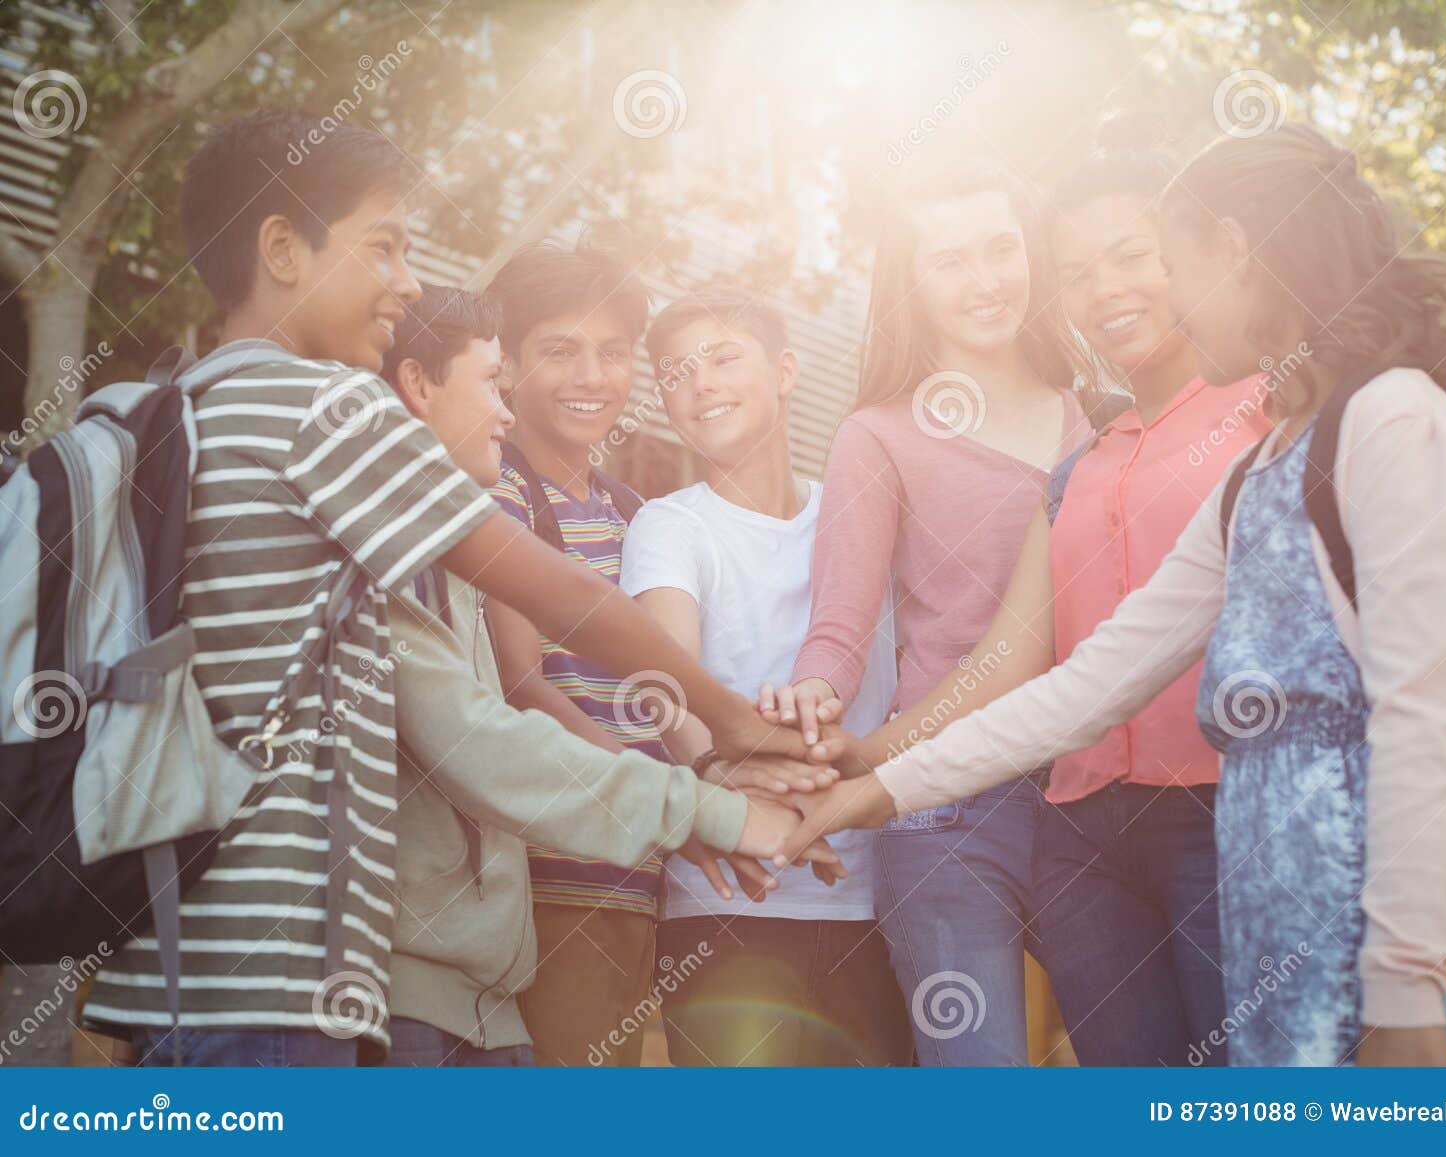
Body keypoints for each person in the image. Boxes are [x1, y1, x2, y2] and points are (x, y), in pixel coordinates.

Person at [82, 110, 819, 1066]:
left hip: (189, 959)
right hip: (288, 985)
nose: (409, 280)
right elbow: (536, 624)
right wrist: (726, 735)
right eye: (384, 247)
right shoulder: (325, 409)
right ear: (282, 250)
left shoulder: (174, 409)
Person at [777, 124, 1446, 1069]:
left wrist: (1407, 989)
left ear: (1234, 256)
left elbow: (1423, 714)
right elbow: (1089, 683)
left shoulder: (1393, 416)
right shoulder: (1254, 470)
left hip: (1381, 920)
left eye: (1164, 260)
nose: (1144, 294)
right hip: (1269, 911)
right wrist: (874, 791)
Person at [376, 284, 788, 1066]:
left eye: (613, 353)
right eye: (557, 351)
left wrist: (698, 786)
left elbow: (662, 683)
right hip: (558, 869)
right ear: (512, 370)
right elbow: (520, 682)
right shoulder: (490, 492)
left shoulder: (637, 510)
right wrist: (681, 802)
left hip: (641, 863)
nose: (590, 376)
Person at [760, 161, 1097, 1065]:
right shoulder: (878, 433)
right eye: (949, 261)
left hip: (1097, 792)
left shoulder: (1098, 417)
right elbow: (838, 629)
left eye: (1000, 249)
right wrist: (809, 707)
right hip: (941, 800)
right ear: (911, 283)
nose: (985, 281)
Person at [621, 287, 913, 1066]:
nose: (703, 383)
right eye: (678, 373)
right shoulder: (669, 526)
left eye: (724, 357)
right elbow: (666, 680)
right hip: (725, 908)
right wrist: (719, 766)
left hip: (877, 902)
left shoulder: (863, 512)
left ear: (785, 371)